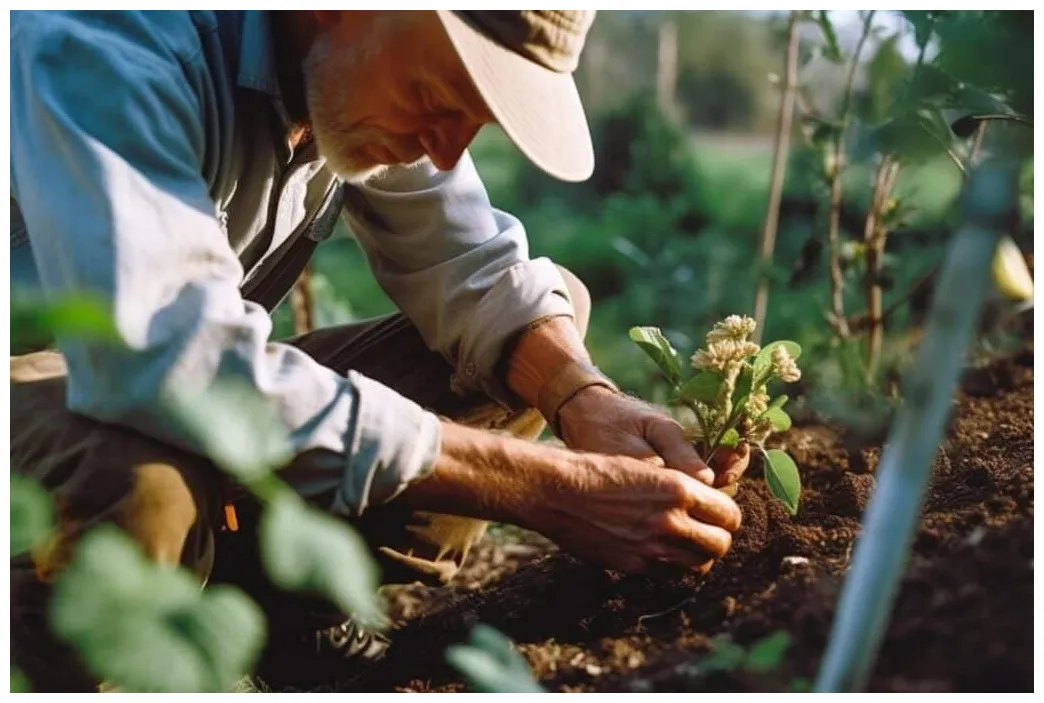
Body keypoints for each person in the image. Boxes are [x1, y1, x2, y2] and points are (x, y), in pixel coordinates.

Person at [9, 10, 750, 691]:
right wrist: (539, 486)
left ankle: (268, 616)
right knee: (138, 479)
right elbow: (166, 359)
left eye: (473, 120)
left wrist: (583, 399)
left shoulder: (352, 59)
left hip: (156, 371)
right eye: (439, 96)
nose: (447, 147)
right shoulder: (114, 42)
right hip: (47, 374)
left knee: (524, 351)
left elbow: (469, 269)